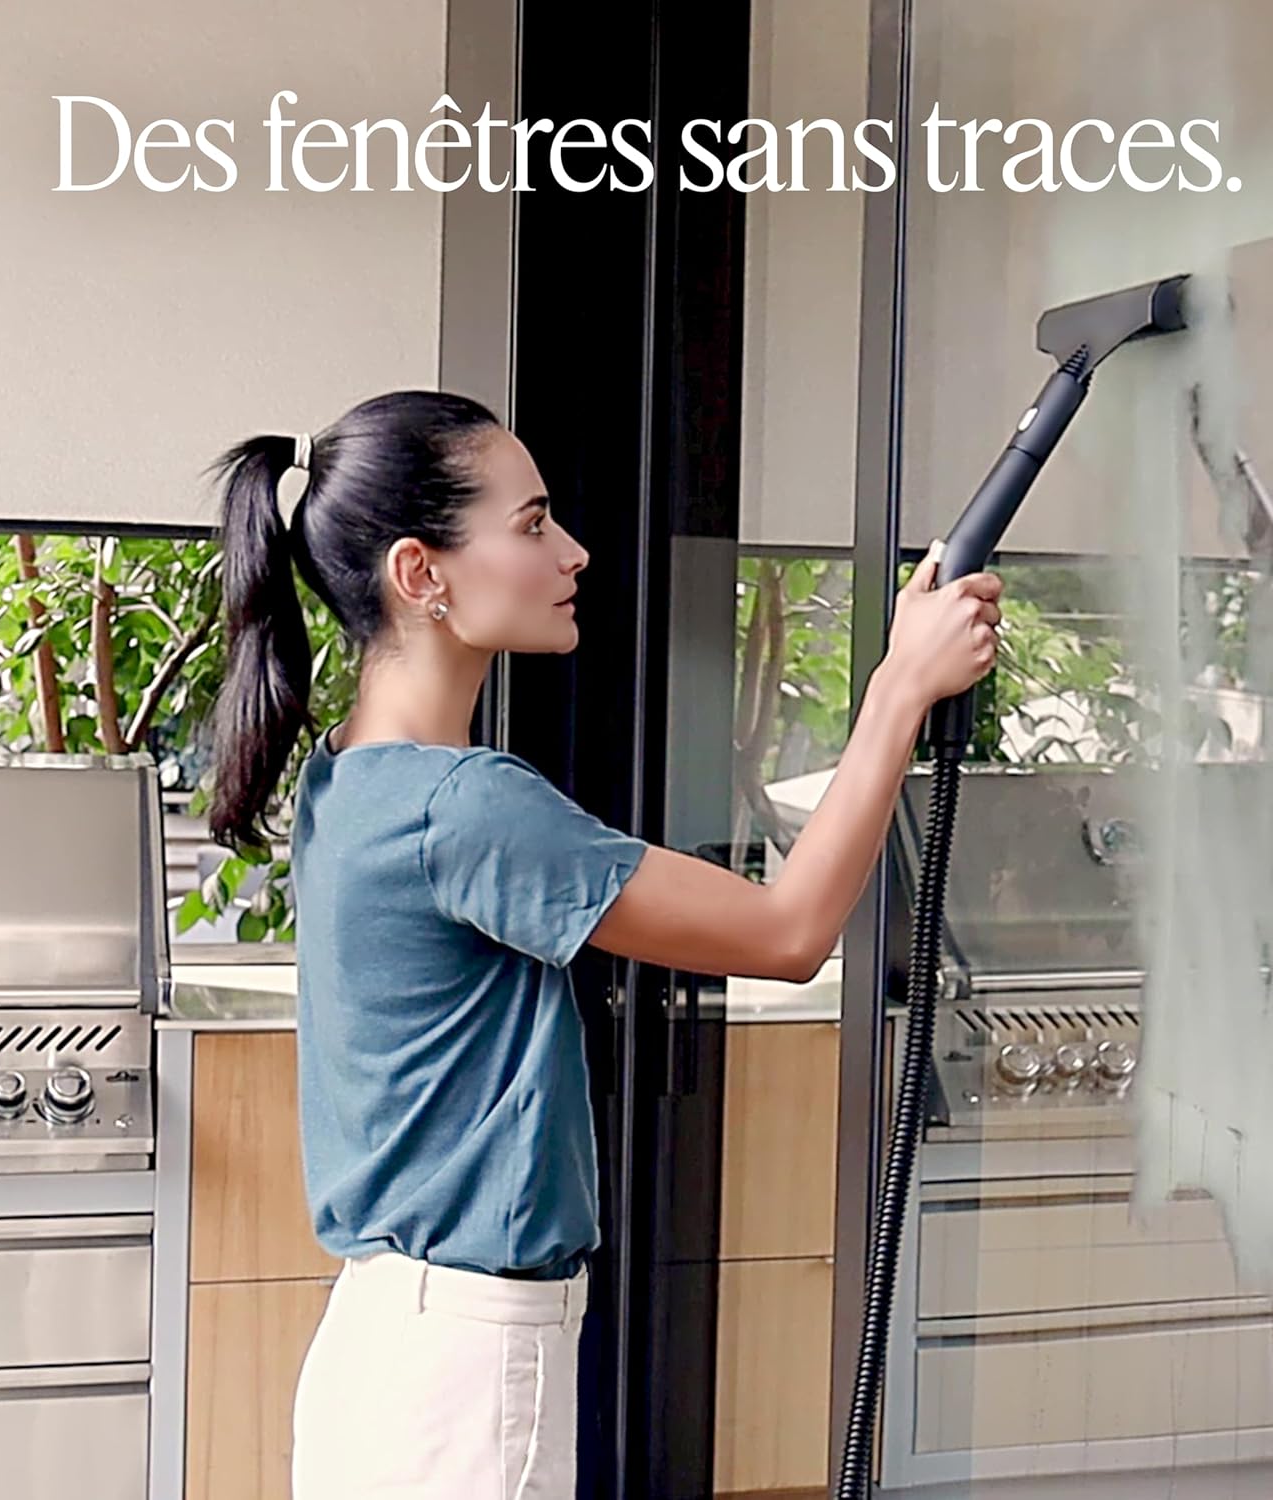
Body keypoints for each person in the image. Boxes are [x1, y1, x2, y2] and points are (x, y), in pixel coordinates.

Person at [203, 389, 1002, 1500]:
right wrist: (898, 691)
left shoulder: (350, 778)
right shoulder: (464, 808)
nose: (572, 551)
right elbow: (786, 931)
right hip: (462, 1376)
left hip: (385, 1354)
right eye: (531, 526)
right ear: (420, 574)